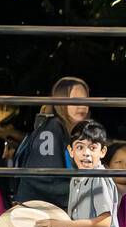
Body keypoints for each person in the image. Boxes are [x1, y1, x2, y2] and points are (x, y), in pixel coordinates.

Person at [13, 76, 90, 210]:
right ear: (61, 102)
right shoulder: (50, 131)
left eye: (85, 100)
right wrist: (84, 192)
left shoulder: (75, 131)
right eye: (74, 100)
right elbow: (44, 178)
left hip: (52, 207)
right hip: (36, 209)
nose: (81, 105)